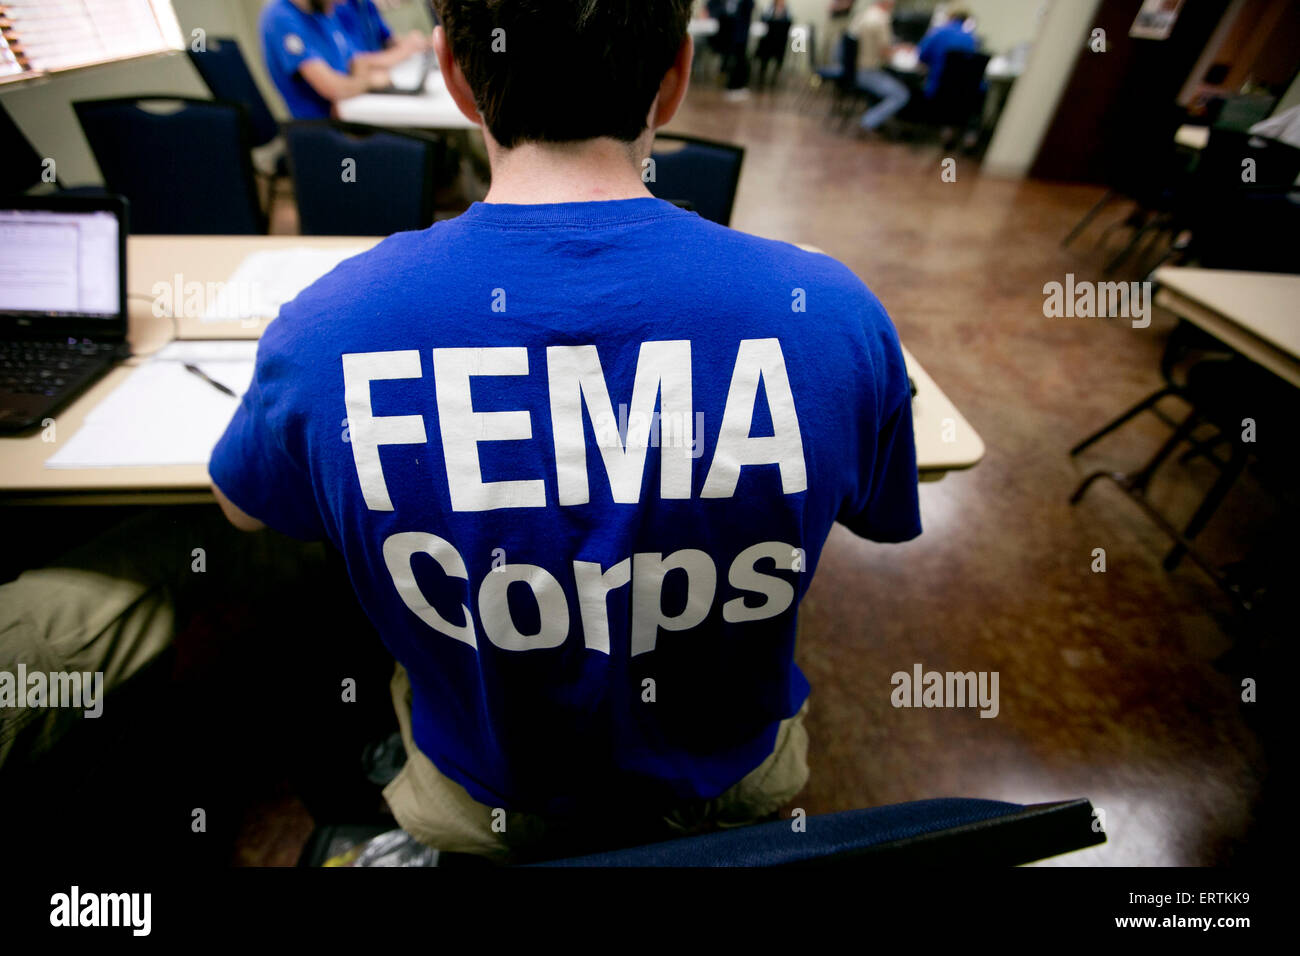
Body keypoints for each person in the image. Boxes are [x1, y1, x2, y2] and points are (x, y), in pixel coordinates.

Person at [211, 0, 921, 861]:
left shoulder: (325, 332)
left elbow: (244, 506)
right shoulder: (836, 316)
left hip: (485, 798)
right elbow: (883, 514)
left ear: (456, 77)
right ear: (675, 77)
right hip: (732, 790)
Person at [259, 0, 393, 119]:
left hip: (348, 111)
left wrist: (357, 79)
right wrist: (367, 81)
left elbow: (357, 61)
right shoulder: (282, 18)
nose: (341, 3)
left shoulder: (320, 12)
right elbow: (333, 89)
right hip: (323, 129)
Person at [849, 0, 909, 135]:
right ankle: (868, 122)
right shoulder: (881, 20)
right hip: (867, 72)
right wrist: (902, 50)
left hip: (854, 69)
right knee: (901, 95)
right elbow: (885, 53)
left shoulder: (863, 15)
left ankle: (877, 121)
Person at [335, 0, 430, 70]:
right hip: (363, 84)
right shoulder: (338, 7)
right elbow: (356, 62)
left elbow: (388, 39)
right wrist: (403, 52)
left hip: (380, 75)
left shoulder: (367, 4)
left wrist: (417, 42)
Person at [917, 7, 977, 99]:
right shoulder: (971, 39)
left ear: (950, 16)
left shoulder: (938, 32)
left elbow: (922, 56)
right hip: (957, 90)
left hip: (935, 84)